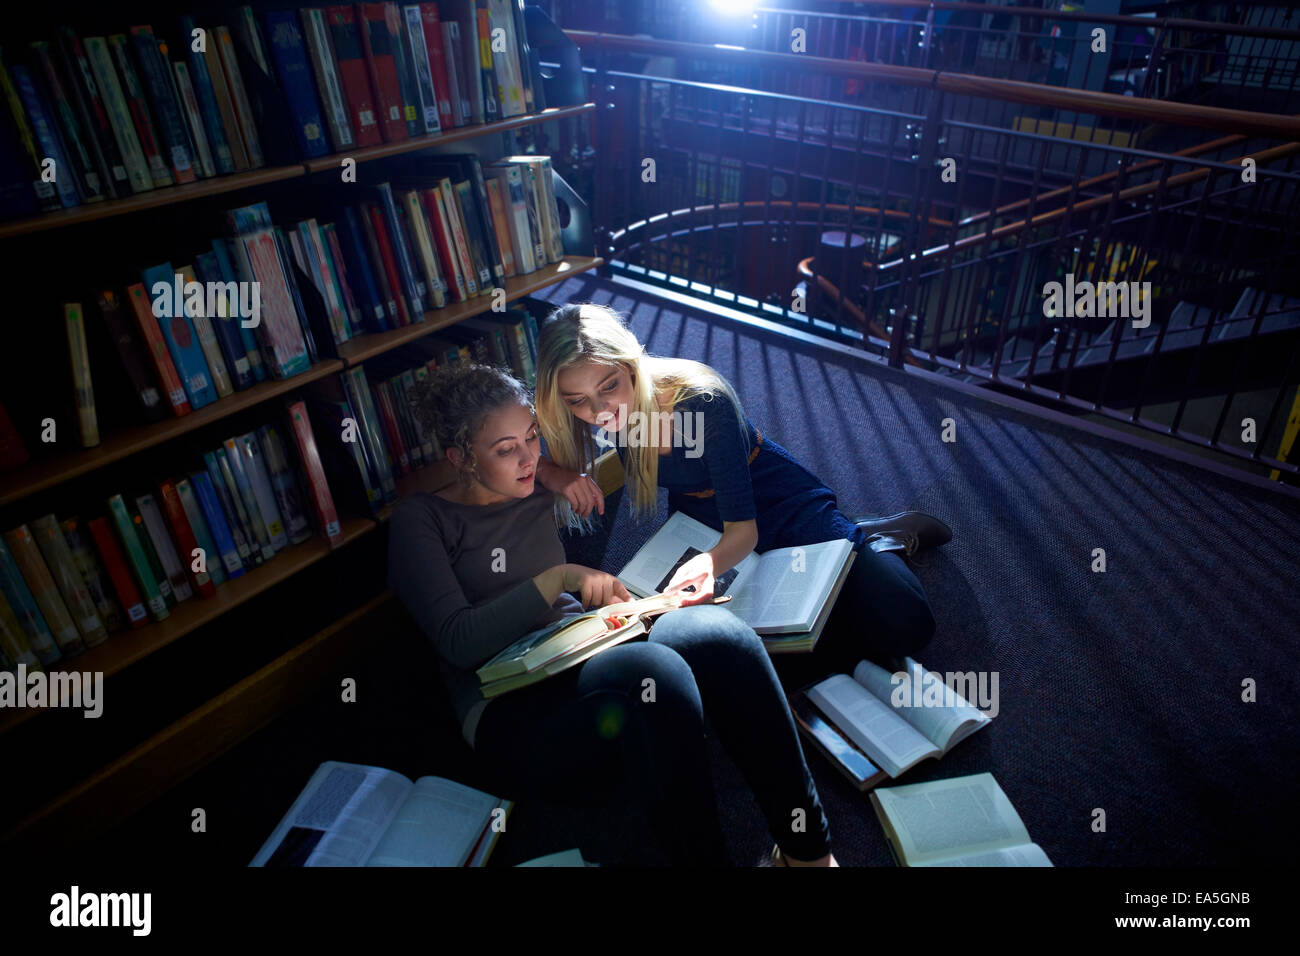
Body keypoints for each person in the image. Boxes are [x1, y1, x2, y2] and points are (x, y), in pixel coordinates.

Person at [387, 361, 838, 866]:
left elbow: (600, 407)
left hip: (575, 650)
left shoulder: (536, 476)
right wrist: (559, 579)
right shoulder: (420, 521)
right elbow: (458, 641)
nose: (528, 457)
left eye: (532, 436)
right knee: (656, 675)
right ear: (461, 458)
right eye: (505, 449)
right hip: (507, 706)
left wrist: (559, 475)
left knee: (719, 635)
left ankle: (808, 855)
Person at [532, 302, 952, 680]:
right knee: (768, 649)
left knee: (906, 623)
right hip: (701, 518)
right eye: (578, 401)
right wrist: (556, 474)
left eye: (609, 387)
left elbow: (743, 532)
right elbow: (514, 446)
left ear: (631, 365)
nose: (601, 412)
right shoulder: (588, 409)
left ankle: (880, 541)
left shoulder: (700, 401)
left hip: (773, 497)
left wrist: (709, 564)